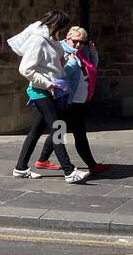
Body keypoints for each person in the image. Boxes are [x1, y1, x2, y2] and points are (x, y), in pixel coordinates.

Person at [7, 11, 90, 183]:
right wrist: (48, 84)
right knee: (58, 127)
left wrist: (63, 63)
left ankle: (20, 168)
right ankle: (69, 171)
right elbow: (25, 69)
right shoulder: (39, 41)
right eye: (62, 26)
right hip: (41, 91)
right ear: (57, 24)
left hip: (51, 90)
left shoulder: (51, 40)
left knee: (36, 131)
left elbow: (51, 65)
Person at [34, 26, 110, 174]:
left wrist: (94, 53)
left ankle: (42, 160)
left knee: (60, 130)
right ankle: (91, 165)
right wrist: (69, 63)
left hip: (78, 100)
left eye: (82, 42)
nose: (78, 45)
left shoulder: (82, 53)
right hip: (68, 100)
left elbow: (91, 67)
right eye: (75, 41)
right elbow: (59, 74)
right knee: (77, 133)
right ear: (67, 38)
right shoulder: (62, 52)